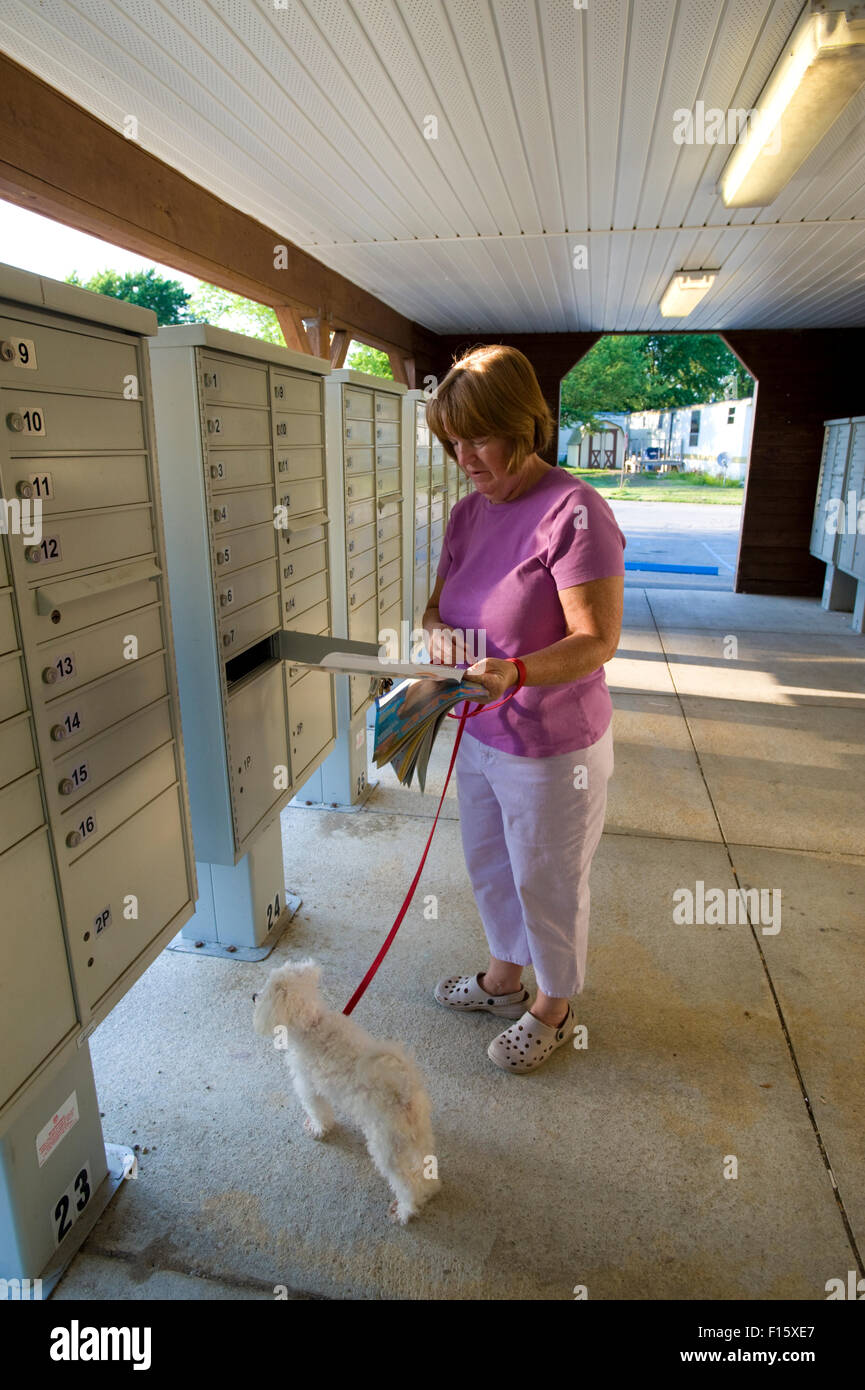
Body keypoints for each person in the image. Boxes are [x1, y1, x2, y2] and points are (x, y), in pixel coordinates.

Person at [422, 344, 626, 1074]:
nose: (463, 456)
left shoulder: (574, 511)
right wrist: (438, 638)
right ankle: (503, 977)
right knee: (488, 862)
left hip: (552, 745)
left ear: (522, 425)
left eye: (477, 437)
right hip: (479, 729)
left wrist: (515, 670)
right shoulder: (465, 515)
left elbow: (596, 639)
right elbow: (434, 609)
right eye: (450, 441)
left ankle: (553, 1003)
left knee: (547, 873)